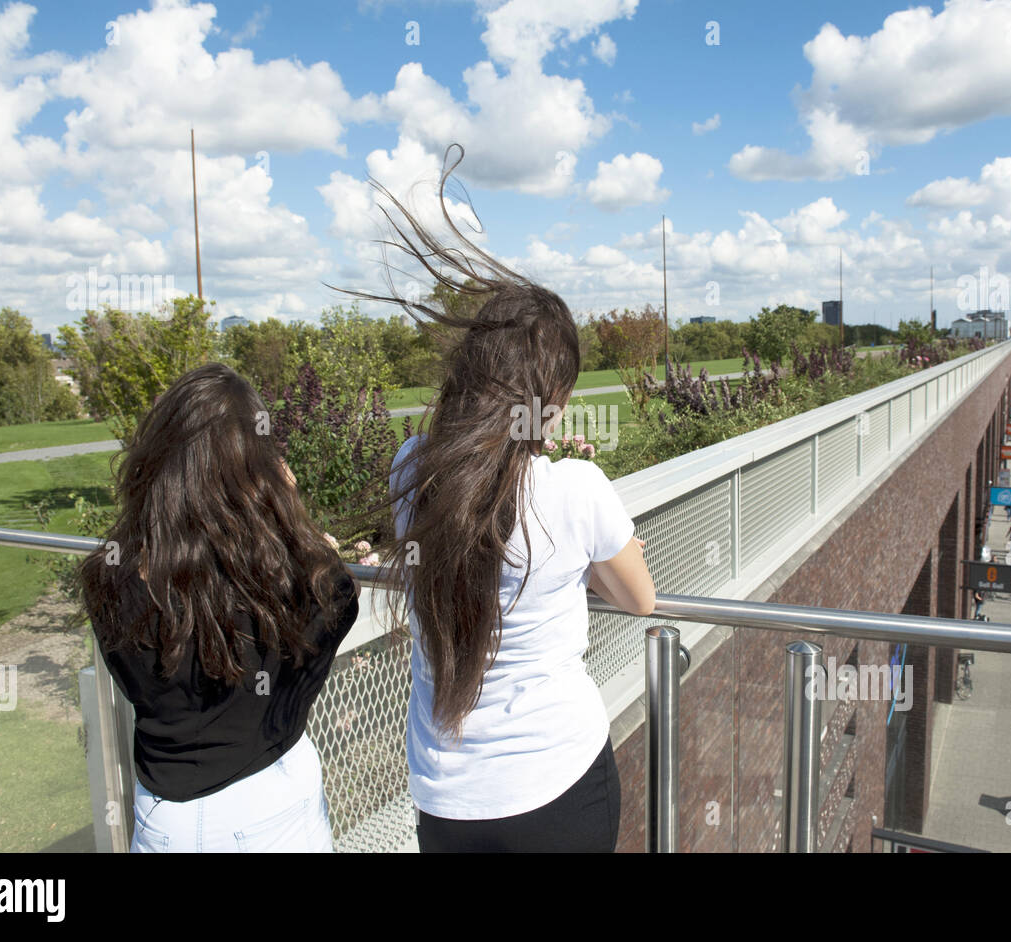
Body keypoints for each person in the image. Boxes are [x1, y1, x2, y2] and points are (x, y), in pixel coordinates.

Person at [339, 146, 656, 853]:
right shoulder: (577, 488)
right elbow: (641, 599)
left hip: (447, 799)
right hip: (558, 784)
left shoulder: (410, 469)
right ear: (554, 397)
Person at [80, 364, 360, 852]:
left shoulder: (110, 576)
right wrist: (302, 532)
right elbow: (339, 602)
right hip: (268, 807)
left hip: (165, 819)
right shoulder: (279, 584)